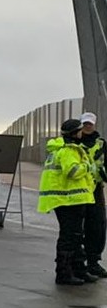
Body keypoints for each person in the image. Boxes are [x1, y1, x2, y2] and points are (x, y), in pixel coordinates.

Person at [38, 118, 97, 285]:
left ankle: (78, 269)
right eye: (79, 130)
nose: (81, 132)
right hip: (69, 199)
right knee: (69, 236)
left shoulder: (59, 149)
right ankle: (64, 273)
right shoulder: (69, 150)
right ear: (74, 133)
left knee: (75, 235)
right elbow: (72, 172)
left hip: (68, 199)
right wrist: (87, 167)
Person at [78, 113, 107, 278]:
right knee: (77, 228)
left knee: (98, 226)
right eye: (84, 124)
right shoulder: (74, 144)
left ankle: (94, 262)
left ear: (94, 125)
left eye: (89, 124)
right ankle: (79, 264)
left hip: (95, 189)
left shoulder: (101, 144)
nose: (87, 127)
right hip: (78, 190)